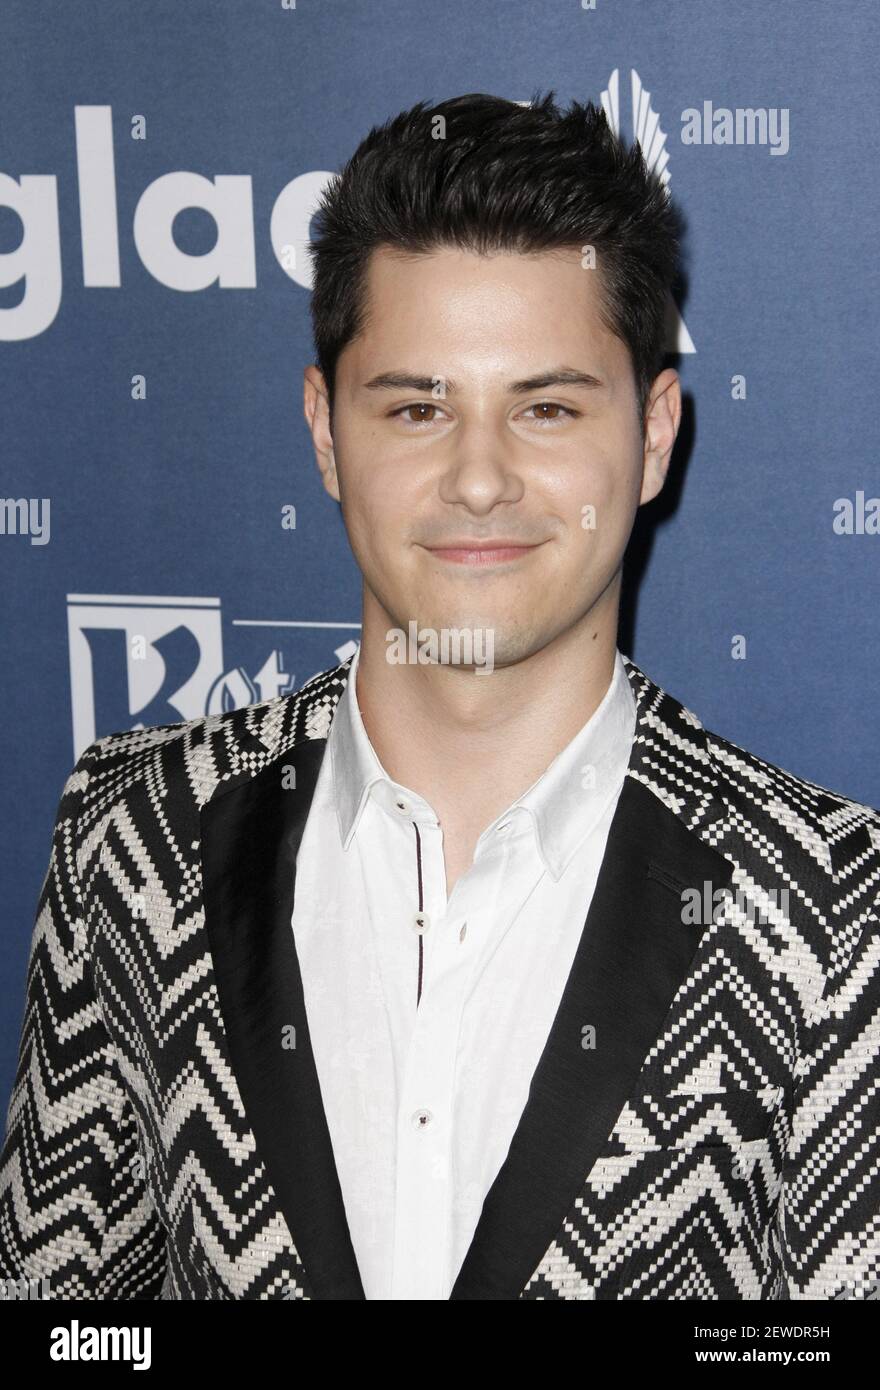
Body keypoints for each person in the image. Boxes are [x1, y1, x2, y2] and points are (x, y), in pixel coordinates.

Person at [1, 93, 877, 1301]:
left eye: (548, 406)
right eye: (417, 407)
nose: (477, 479)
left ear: (656, 432)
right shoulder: (138, 835)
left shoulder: (833, 913)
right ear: (324, 430)